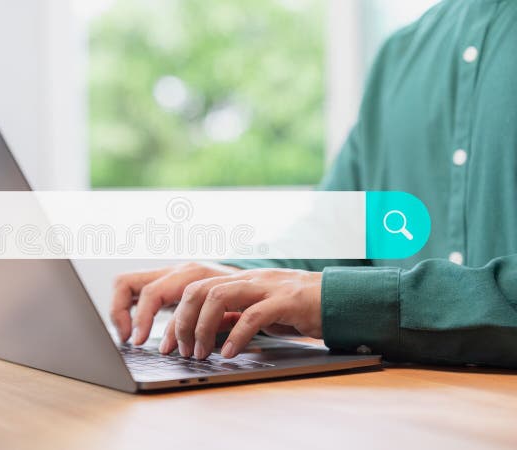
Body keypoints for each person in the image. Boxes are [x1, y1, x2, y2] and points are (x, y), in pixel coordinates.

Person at [110, 0, 517, 368]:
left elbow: (325, 290)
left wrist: (336, 301)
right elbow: (339, 234)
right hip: (398, 410)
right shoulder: (399, 55)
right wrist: (235, 280)